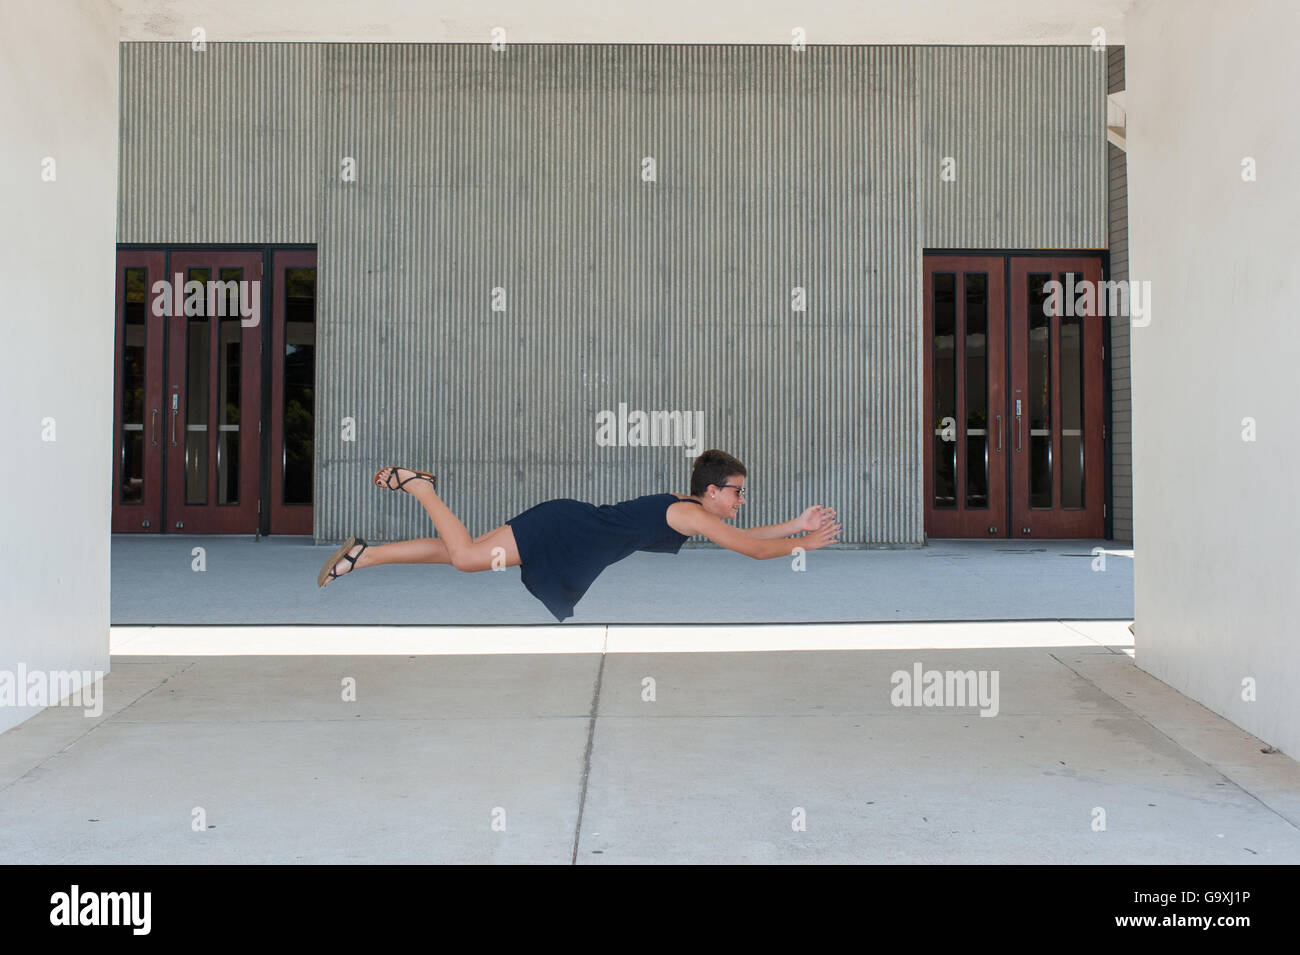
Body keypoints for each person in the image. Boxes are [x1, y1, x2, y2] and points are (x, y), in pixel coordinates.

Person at [317, 449, 841, 621]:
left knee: (470, 553)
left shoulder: (689, 509)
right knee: (466, 559)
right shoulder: (691, 514)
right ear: (710, 491)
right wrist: (805, 544)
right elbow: (751, 549)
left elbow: (748, 534)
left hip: (564, 526)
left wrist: (796, 525)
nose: (739, 501)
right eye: (736, 492)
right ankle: (421, 487)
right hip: (563, 528)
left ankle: (364, 556)